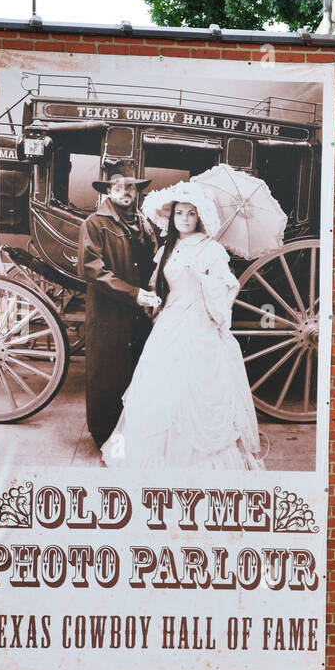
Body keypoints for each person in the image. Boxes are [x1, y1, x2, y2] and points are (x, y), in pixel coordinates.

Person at [102, 180, 263, 471]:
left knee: (195, 387)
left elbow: (228, 286)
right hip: (171, 321)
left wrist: (203, 278)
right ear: (172, 217)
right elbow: (157, 281)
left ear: (199, 217)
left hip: (199, 323)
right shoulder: (169, 247)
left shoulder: (212, 249)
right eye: (179, 213)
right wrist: (153, 296)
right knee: (159, 383)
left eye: (190, 213)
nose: (185, 219)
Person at [77, 161, 160, 448]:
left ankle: (131, 435)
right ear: (109, 191)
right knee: (108, 374)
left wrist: (151, 290)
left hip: (140, 315)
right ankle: (104, 437)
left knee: (137, 373)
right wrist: (134, 293)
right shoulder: (95, 223)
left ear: (136, 192)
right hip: (109, 314)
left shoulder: (144, 223)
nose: (125, 192)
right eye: (119, 187)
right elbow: (93, 269)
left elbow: (153, 263)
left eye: (131, 187)